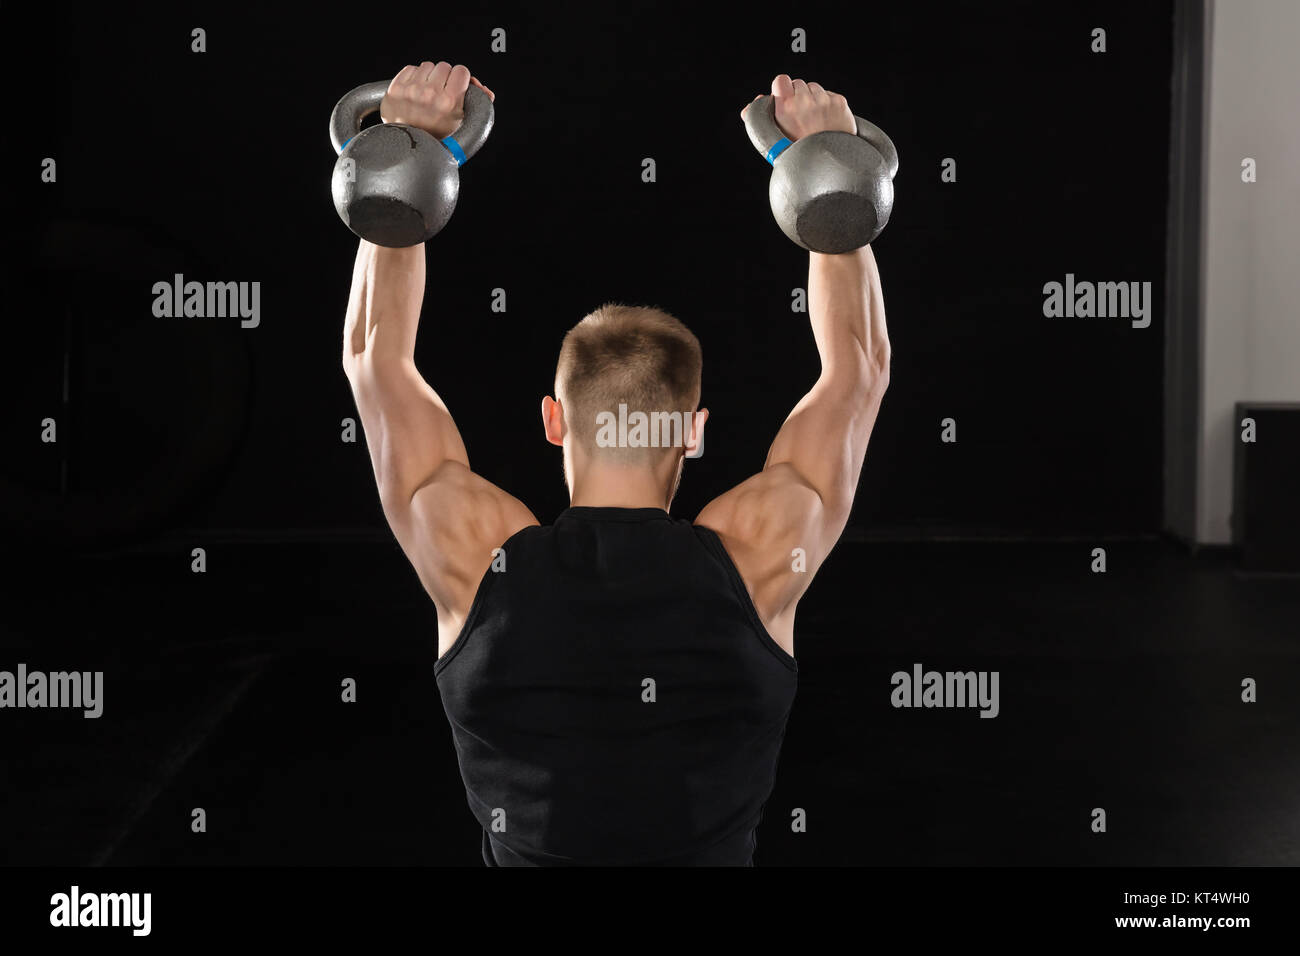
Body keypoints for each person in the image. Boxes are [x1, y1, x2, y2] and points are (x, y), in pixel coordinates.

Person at [342, 61, 891, 865]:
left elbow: (374, 362)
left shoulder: (474, 552)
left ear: (554, 422)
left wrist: (405, 153)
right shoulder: (759, 551)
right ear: (694, 431)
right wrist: (831, 175)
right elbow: (859, 370)